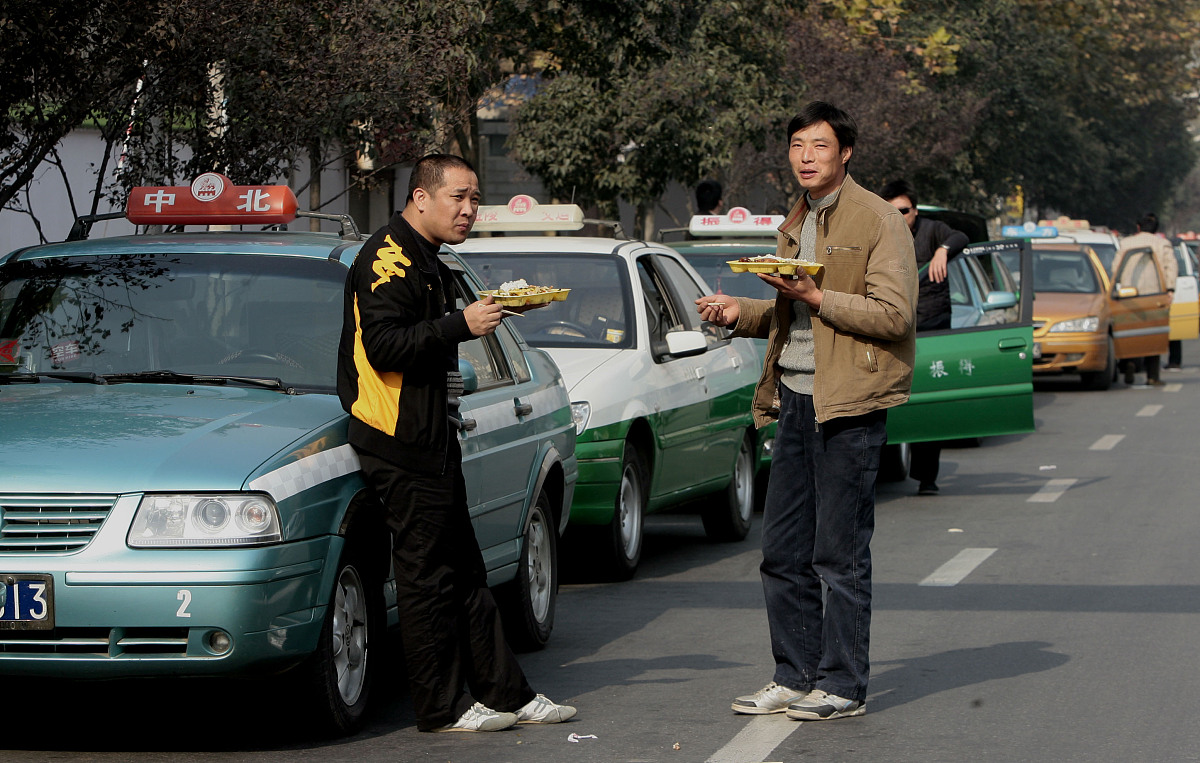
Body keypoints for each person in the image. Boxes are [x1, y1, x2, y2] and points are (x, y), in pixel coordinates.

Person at [336, 153, 575, 733]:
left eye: (475, 199)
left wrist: (468, 321)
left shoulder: (431, 259)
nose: (469, 210)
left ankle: (508, 695)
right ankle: (440, 709)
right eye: (458, 198)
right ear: (420, 197)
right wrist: (459, 326)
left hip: (435, 436)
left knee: (466, 573)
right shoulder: (386, 259)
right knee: (427, 580)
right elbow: (386, 347)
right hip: (397, 440)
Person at [696, 102, 916, 722]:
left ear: (846, 152)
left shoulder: (877, 218)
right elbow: (793, 315)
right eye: (797, 146)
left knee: (838, 554)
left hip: (848, 403)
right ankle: (794, 675)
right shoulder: (796, 219)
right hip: (792, 398)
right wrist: (739, 312)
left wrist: (818, 294)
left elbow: (895, 315)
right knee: (782, 552)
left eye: (819, 146)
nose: (806, 157)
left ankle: (843, 685)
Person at [878, 178, 969, 496]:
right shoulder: (878, 237)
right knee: (884, 403)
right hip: (889, 330)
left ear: (915, 211)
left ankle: (927, 477)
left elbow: (960, 236)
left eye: (903, 211)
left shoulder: (933, 231)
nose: (898, 217)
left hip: (931, 329)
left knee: (928, 403)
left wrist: (944, 251)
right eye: (890, 211)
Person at [1113, 212, 1176, 386]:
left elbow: (1115, 269)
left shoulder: (1125, 244)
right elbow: (1171, 268)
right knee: (1153, 336)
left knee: (1130, 333)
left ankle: (1130, 364)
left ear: (1138, 227)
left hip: (1128, 298)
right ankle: (1152, 376)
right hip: (1154, 297)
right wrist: (1170, 290)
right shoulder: (1162, 244)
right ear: (1156, 229)